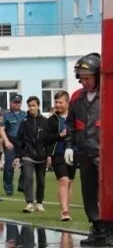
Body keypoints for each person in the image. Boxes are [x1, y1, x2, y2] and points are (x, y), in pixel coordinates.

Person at [65, 52, 106, 246]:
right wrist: (70, 147)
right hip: (84, 153)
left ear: (98, 76)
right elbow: (71, 124)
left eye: (87, 78)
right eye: (81, 78)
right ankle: (97, 227)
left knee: (107, 191)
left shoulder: (107, 96)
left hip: (104, 154)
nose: (84, 82)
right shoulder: (76, 98)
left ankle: (109, 227)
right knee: (88, 191)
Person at [14, 96, 49, 213]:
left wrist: (49, 154)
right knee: (28, 178)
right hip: (28, 155)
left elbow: (49, 140)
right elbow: (19, 140)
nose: (31, 108)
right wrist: (18, 156)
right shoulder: (24, 122)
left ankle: (39, 203)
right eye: (29, 106)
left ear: (38, 106)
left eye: (33, 105)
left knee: (41, 180)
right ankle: (29, 203)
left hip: (42, 156)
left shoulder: (45, 122)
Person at [44, 91, 75, 221]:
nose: (57, 105)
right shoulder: (51, 120)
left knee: (70, 182)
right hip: (58, 153)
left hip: (73, 152)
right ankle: (64, 211)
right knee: (63, 180)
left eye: (60, 102)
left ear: (67, 103)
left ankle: (66, 208)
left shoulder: (74, 117)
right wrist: (59, 136)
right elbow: (46, 138)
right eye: (56, 102)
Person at [0, 94, 26, 196]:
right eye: (15, 102)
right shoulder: (5, 114)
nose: (17, 104)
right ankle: (8, 188)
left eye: (19, 102)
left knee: (26, 164)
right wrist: (6, 141)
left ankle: (22, 186)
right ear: (10, 102)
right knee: (9, 165)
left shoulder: (24, 114)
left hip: (22, 142)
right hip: (10, 140)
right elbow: (1, 129)